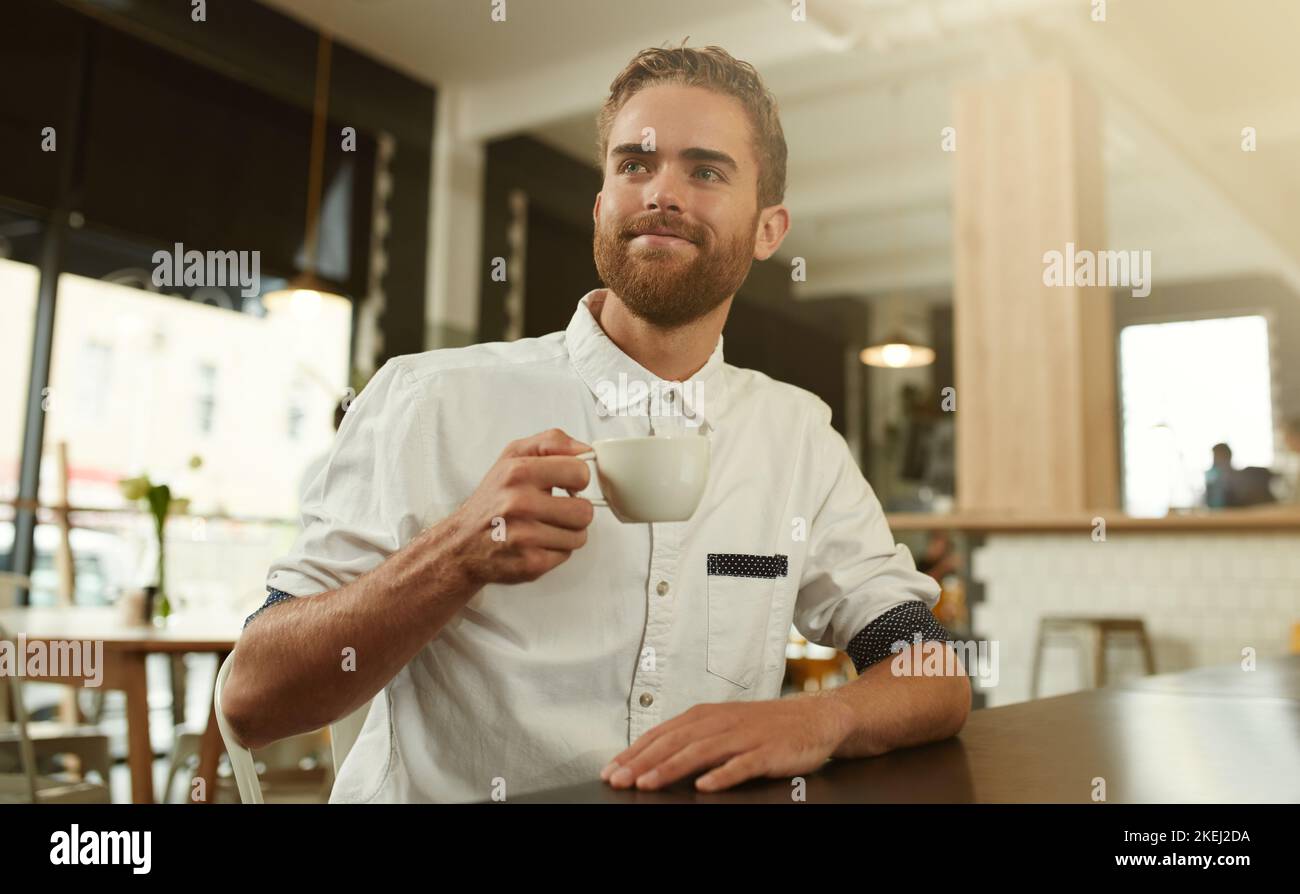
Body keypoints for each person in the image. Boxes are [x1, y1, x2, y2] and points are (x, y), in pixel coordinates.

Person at [223, 45, 969, 802]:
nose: (661, 194)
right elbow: (252, 700)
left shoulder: (797, 435)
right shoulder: (426, 398)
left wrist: (817, 720)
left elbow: (935, 672)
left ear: (769, 229)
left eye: (705, 171)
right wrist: (455, 556)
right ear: (601, 205)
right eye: (634, 165)